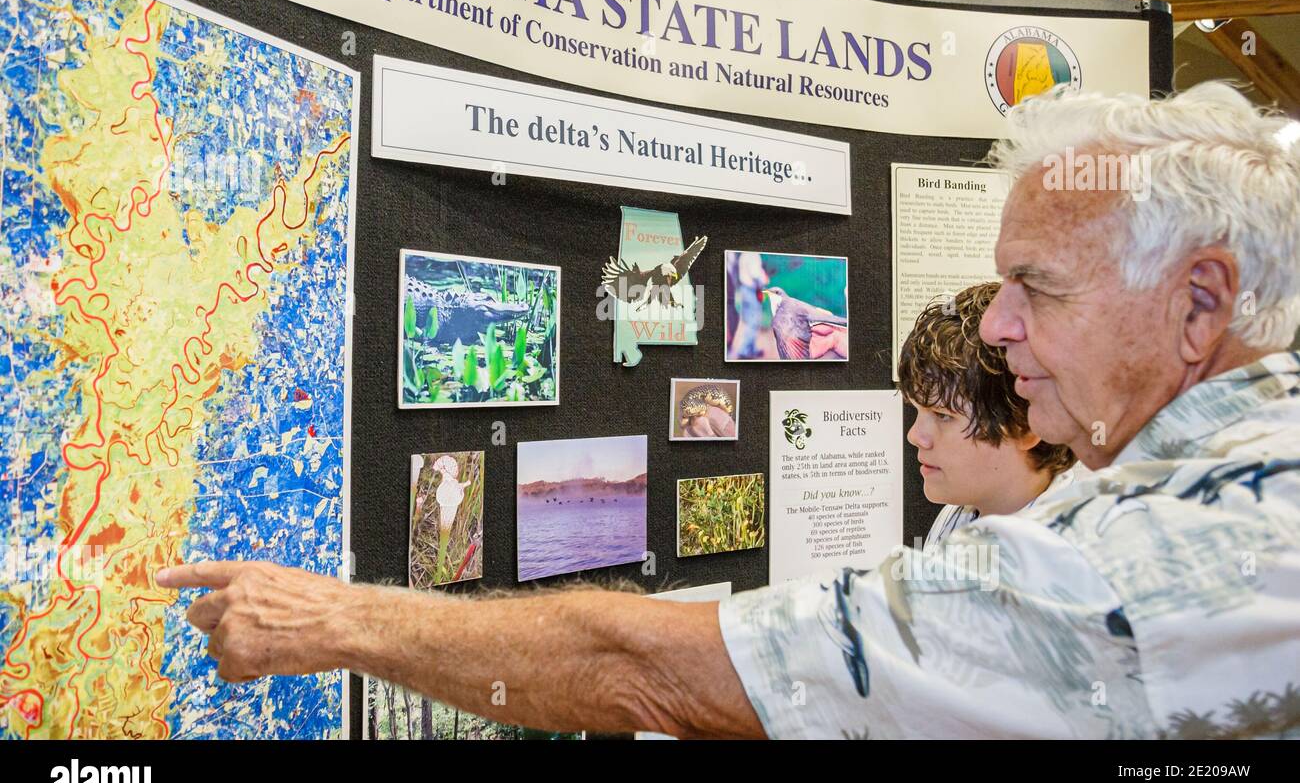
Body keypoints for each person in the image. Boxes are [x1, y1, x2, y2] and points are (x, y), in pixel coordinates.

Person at [157, 82, 1300, 738]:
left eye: (1035, 288)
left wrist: (338, 623)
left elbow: (641, 666)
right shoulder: (1197, 473)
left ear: (1199, 302)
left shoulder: (1163, 557)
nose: (997, 326)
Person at [897, 282, 1078, 548]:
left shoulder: (1075, 557)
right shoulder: (959, 513)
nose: (915, 436)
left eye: (942, 415)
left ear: (1028, 425)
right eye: (917, 409)